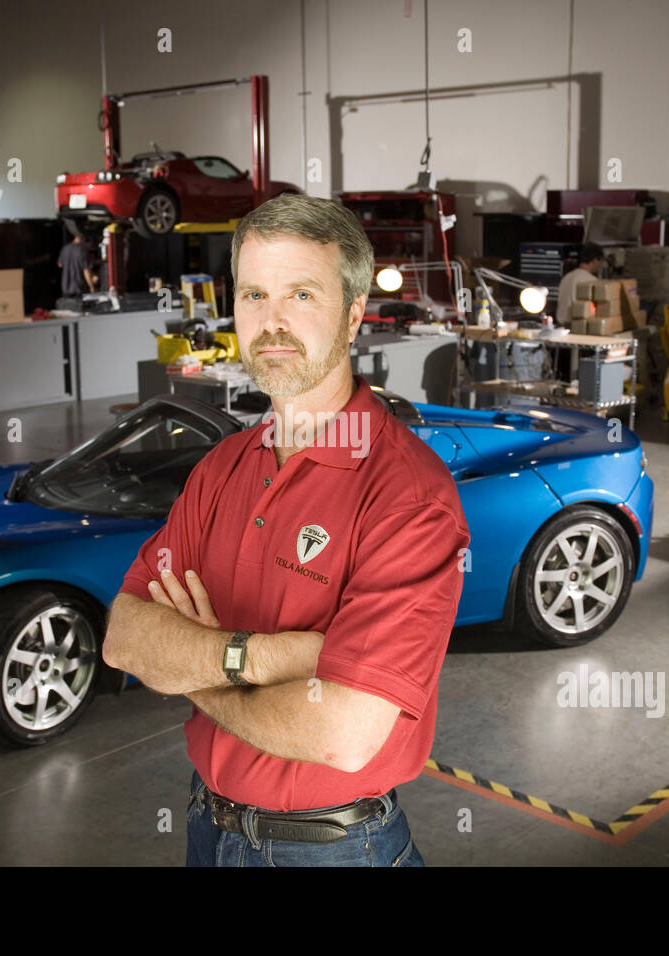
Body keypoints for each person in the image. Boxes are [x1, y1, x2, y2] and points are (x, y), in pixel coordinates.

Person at [102, 193, 470, 867]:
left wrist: (191, 664)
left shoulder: (407, 496)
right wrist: (268, 658)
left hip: (331, 848)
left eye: (301, 294)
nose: (272, 322)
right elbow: (126, 641)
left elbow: (342, 734)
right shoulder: (220, 470)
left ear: (354, 313)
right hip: (206, 826)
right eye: (253, 294)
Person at [555, 241, 605, 327]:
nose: (600, 265)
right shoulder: (592, 281)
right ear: (595, 260)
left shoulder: (567, 277)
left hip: (560, 325)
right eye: (600, 261)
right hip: (577, 327)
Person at [58, 233, 98, 297]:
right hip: (78, 288)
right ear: (84, 238)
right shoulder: (83, 250)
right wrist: (92, 287)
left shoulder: (65, 248)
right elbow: (86, 271)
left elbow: (60, 264)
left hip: (65, 288)